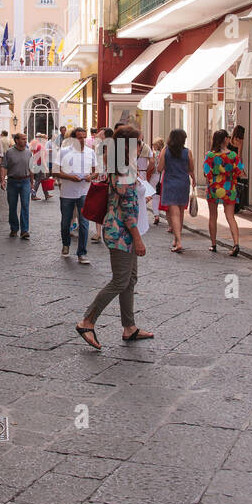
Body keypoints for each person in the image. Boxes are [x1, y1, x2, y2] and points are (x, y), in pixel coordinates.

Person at [76, 124, 153, 348]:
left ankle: (129, 327)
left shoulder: (122, 166)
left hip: (121, 230)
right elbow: (127, 212)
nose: (142, 146)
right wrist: (138, 239)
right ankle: (87, 321)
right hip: (121, 232)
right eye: (139, 142)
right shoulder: (123, 170)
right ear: (129, 145)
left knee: (130, 279)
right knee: (120, 280)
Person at [56, 126, 95, 265]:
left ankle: (82, 253)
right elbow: (55, 171)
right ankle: (66, 244)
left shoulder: (91, 152)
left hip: (84, 192)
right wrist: (70, 177)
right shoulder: (64, 152)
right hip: (67, 193)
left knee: (84, 223)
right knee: (66, 223)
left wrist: (91, 176)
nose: (83, 140)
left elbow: (96, 171)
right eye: (79, 137)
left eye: (84, 137)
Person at [204, 128, 244, 256]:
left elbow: (206, 172)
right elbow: (240, 172)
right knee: (230, 216)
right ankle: (236, 243)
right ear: (226, 139)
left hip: (214, 188)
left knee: (213, 216)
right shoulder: (233, 155)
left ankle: (214, 244)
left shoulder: (210, 155)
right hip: (229, 188)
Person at [159, 127, 192, 253]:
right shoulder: (187, 152)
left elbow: (159, 168)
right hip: (183, 183)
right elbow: (191, 167)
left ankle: (178, 241)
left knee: (174, 214)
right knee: (181, 212)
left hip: (170, 183)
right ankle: (177, 239)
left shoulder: (166, 150)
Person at [3, 132, 33, 239]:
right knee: (12, 206)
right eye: (23, 139)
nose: (25, 141)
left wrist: (32, 183)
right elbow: (4, 167)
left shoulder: (29, 153)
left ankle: (24, 230)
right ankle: (14, 228)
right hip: (12, 181)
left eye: (26, 139)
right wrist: (2, 180)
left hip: (25, 181)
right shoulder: (9, 152)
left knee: (25, 205)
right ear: (16, 140)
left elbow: (31, 169)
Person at [91, 128, 114, 243]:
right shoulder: (98, 147)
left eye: (101, 133)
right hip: (99, 177)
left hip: (109, 178)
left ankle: (108, 229)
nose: (98, 135)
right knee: (99, 205)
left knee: (109, 205)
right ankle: (98, 232)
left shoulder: (112, 148)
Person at [229, 124, 248, 211]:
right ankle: (237, 205)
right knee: (238, 185)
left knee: (231, 185)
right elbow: (239, 156)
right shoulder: (240, 142)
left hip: (229, 165)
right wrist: (241, 168)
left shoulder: (229, 140)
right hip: (235, 165)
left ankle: (230, 204)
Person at [149, 138, 164, 226]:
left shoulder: (155, 155)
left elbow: (153, 165)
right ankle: (157, 214)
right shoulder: (164, 154)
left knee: (151, 195)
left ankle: (156, 215)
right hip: (162, 176)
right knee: (157, 196)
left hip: (155, 176)